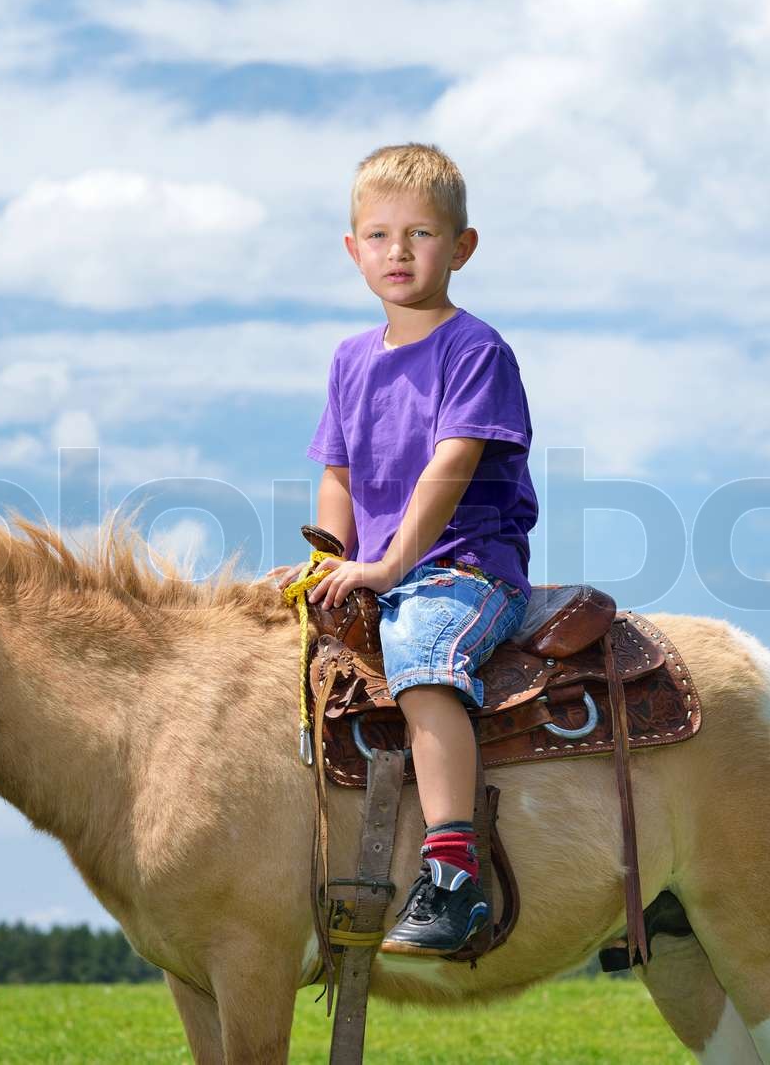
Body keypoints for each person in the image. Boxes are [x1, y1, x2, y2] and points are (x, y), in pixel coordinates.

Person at [268, 142, 538, 956]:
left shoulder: (475, 350)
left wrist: (388, 567)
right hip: (380, 570)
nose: (398, 251)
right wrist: (329, 557)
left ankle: (454, 875)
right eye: (379, 236)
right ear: (353, 251)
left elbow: (449, 468)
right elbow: (339, 473)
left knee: (421, 657)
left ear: (462, 247)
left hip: (463, 566)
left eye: (420, 234)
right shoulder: (351, 359)